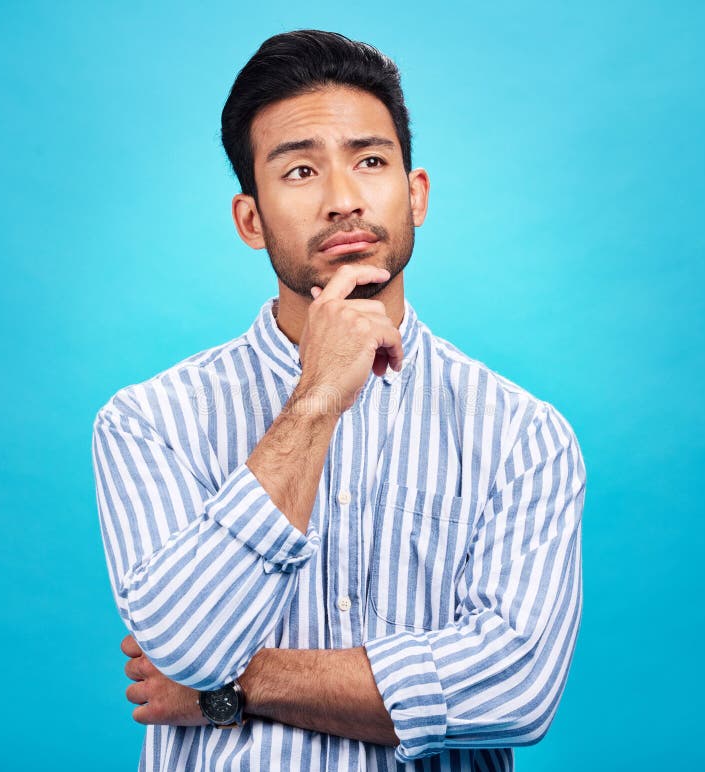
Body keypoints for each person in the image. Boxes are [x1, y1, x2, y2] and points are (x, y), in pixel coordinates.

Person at [91, 29, 586, 772]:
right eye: (299, 171)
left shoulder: (524, 436)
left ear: (415, 193)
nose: (344, 199)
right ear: (250, 219)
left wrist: (236, 687)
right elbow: (189, 645)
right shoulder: (150, 422)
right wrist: (317, 398)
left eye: (371, 161)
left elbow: (518, 690)